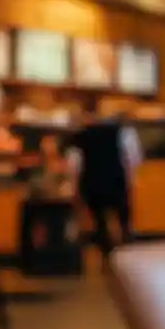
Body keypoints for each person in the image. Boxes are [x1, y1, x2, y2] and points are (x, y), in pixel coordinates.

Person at [67, 108, 142, 264]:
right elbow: (133, 158)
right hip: (116, 180)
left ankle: (107, 254)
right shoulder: (122, 132)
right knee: (123, 216)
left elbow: (75, 163)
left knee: (100, 220)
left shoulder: (82, 135)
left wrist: (75, 187)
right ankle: (128, 249)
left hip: (92, 182)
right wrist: (131, 180)